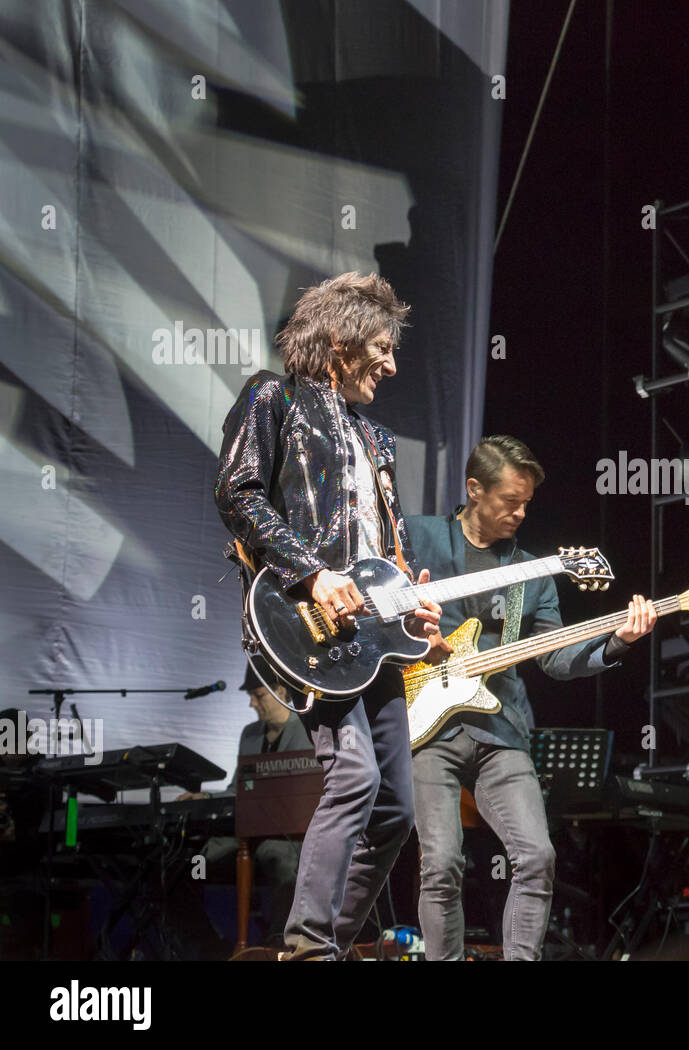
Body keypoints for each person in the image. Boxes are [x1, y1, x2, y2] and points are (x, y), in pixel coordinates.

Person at [214, 272, 450, 960]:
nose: (392, 363)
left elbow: (384, 551)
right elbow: (237, 493)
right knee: (353, 775)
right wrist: (311, 574)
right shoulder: (273, 397)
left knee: (397, 809)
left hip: (371, 635)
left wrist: (413, 605)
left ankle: (333, 943)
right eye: (381, 346)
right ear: (342, 342)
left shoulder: (373, 437)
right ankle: (308, 943)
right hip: (302, 624)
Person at [405, 435, 657, 960]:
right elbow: (375, 610)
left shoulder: (533, 573)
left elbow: (555, 657)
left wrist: (617, 641)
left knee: (538, 856)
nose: (520, 513)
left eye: (527, 503)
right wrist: (413, 636)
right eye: (509, 501)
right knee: (442, 862)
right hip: (425, 726)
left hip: (501, 730)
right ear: (474, 490)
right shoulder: (419, 537)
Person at [176, 664, 312, 948]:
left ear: (281, 692)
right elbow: (235, 789)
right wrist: (206, 799)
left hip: (285, 836)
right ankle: (205, 945)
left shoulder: (308, 729)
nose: (252, 703)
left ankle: (278, 945)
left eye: (258, 695)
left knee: (283, 859)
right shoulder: (249, 734)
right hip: (244, 835)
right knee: (185, 865)